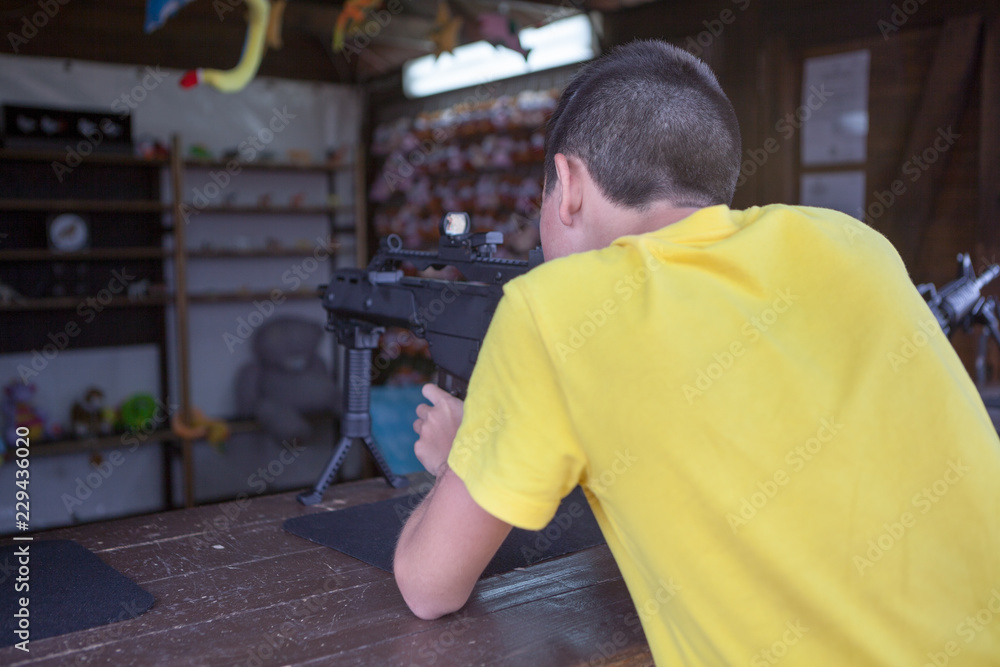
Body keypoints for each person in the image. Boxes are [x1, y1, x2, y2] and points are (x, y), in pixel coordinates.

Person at [393, 40, 1000, 665]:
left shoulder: (551, 309)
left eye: (540, 198)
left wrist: (461, 459)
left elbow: (429, 586)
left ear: (568, 185)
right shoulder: (855, 245)